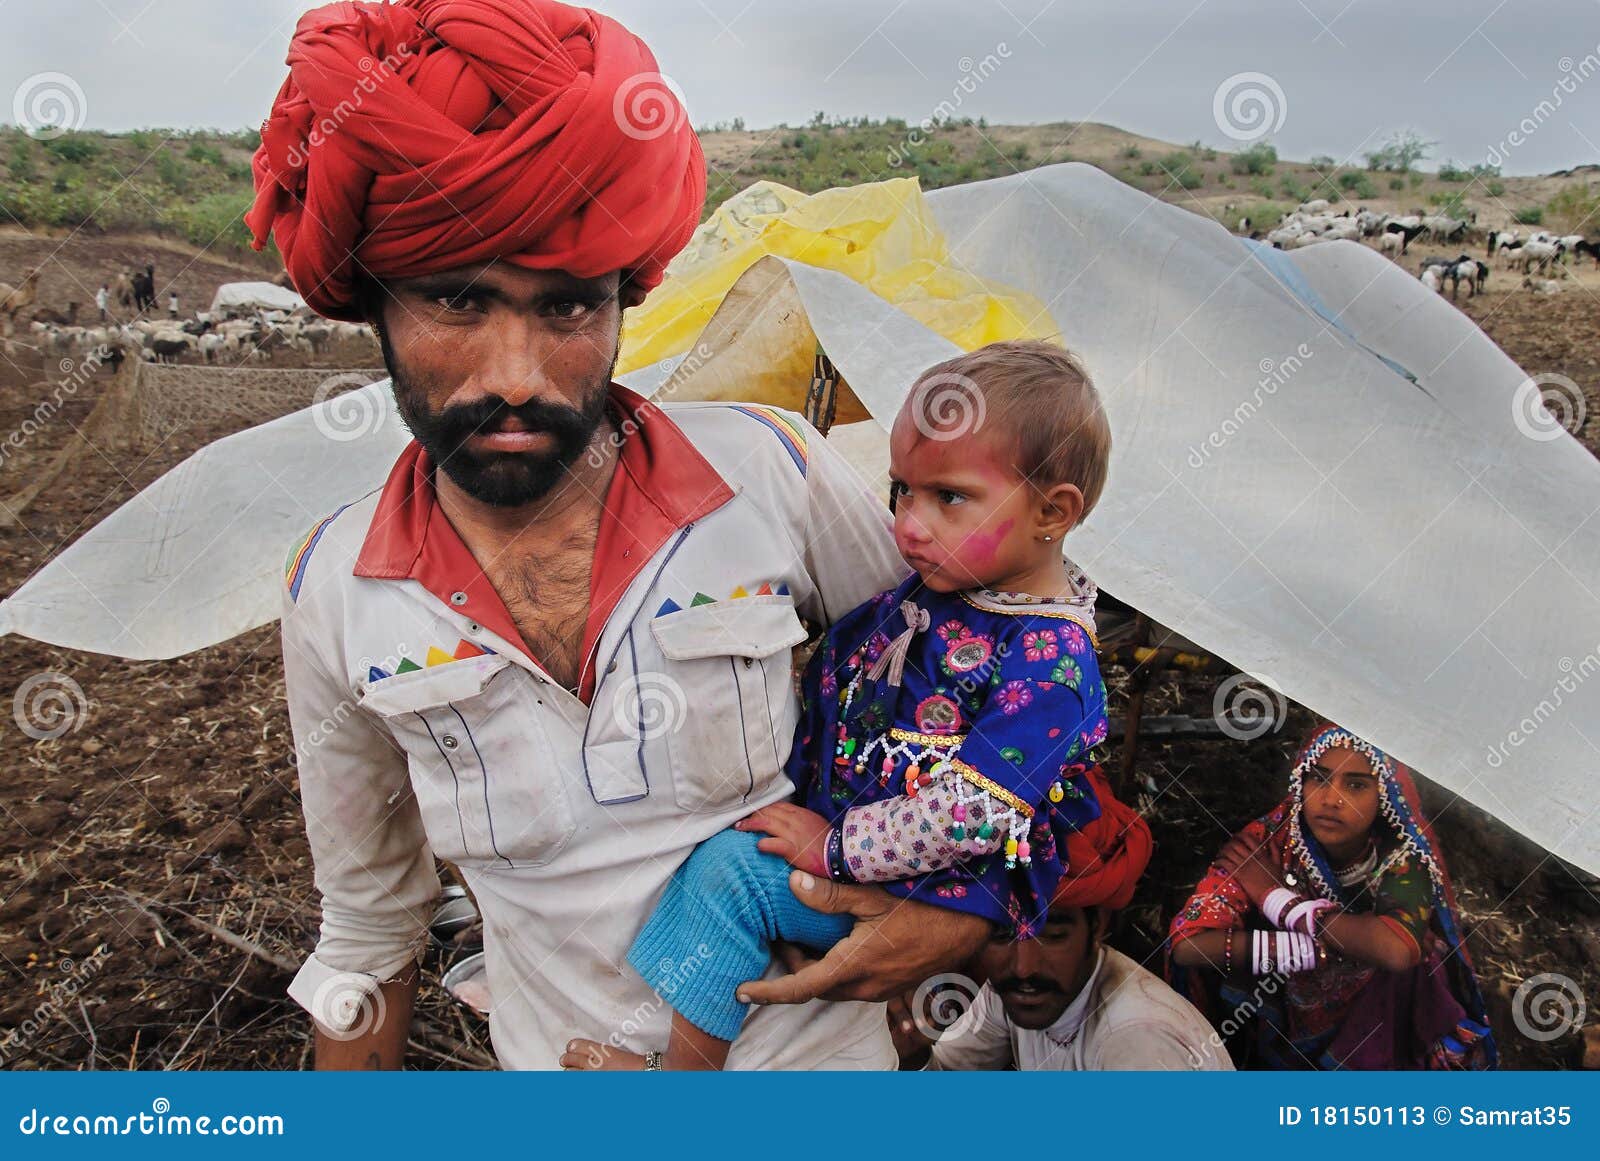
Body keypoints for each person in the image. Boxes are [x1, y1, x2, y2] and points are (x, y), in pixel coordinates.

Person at [258, 0, 988, 1071]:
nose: (516, 374)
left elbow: (992, 679)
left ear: (620, 301)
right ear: (374, 305)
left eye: (566, 310)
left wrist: (967, 912)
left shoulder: (769, 475)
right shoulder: (332, 588)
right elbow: (369, 932)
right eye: (459, 301)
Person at [564, 341, 1114, 1070]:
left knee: (729, 877)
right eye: (901, 491)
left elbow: (974, 810)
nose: (909, 524)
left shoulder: (1052, 665)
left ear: (1053, 511)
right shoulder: (958, 588)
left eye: (948, 496)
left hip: (916, 883)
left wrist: (833, 848)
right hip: (868, 854)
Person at [1168, 721, 1497, 1070]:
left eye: (1356, 785)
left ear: (1383, 794)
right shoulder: (1267, 844)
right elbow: (1189, 944)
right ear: (1301, 781)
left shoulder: (1401, 856)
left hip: (1376, 1022)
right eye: (1319, 778)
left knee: (1416, 965)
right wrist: (1310, 951)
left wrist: (1278, 901)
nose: (1330, 800)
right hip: (1279, 1004)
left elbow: (1396, 950)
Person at [893, 765, 1229, 1070]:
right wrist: (913, 1055)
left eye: (1052, 935)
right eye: (1000, 935)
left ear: (1097, 926)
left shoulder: (1136, 1041)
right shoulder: (1011, 991)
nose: (1024, 966)